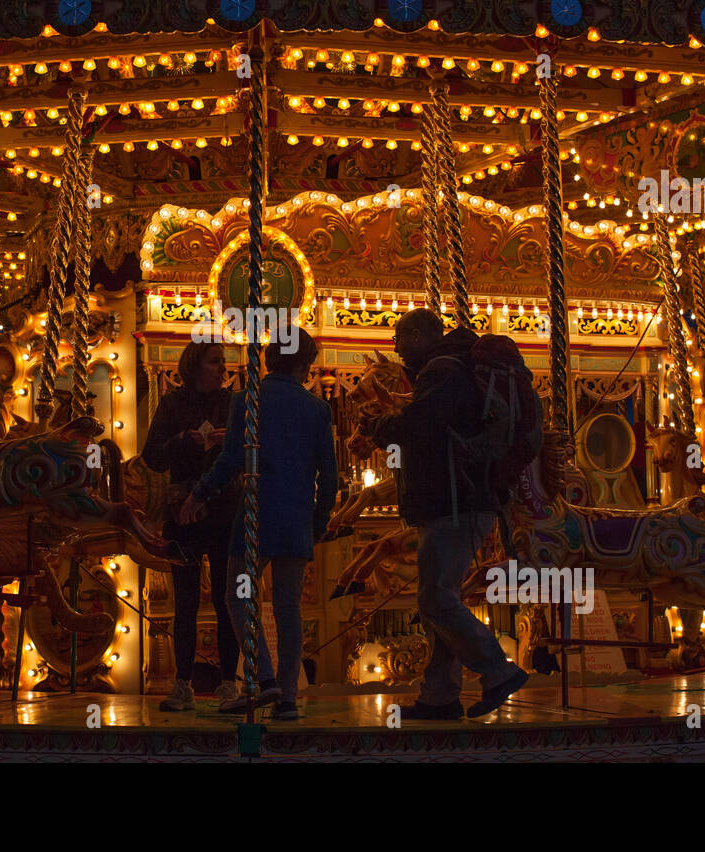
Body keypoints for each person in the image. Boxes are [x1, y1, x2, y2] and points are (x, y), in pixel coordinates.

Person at [362, 308, 528, 720]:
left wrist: (380, 427)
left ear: (419, 335)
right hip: (460, 500)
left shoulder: (441, 371)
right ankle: (439, 695)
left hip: (454, 501)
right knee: (440, 597)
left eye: (399, 337)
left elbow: (420, 424)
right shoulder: (450, 369)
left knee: (435, 599)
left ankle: (497, 670)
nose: (395, 347)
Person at [178, 327, 337, 721]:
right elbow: (329, 475)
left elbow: (231, 459)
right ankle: (287, 698)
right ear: (305, 363)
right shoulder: (317, 409)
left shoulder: (247, 400)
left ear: (268, 359)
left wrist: (198, 495)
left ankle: (264, 678)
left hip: (255, 515)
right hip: (297, 518)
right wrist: (319, 519)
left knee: (239, 596)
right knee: (288, 607)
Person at [141, 342, 240, 711]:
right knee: (185, 600)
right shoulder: (172, 404)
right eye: (215, 361)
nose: (222, 368)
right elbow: (151, 454)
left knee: (226, 598)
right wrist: (183, 441)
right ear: (195, 365)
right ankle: (182, 681)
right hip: (183, 512)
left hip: (224, 510)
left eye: (223, 362)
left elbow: (248, 449)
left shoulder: (231, 402)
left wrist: (225, 441)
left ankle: (229, 681)